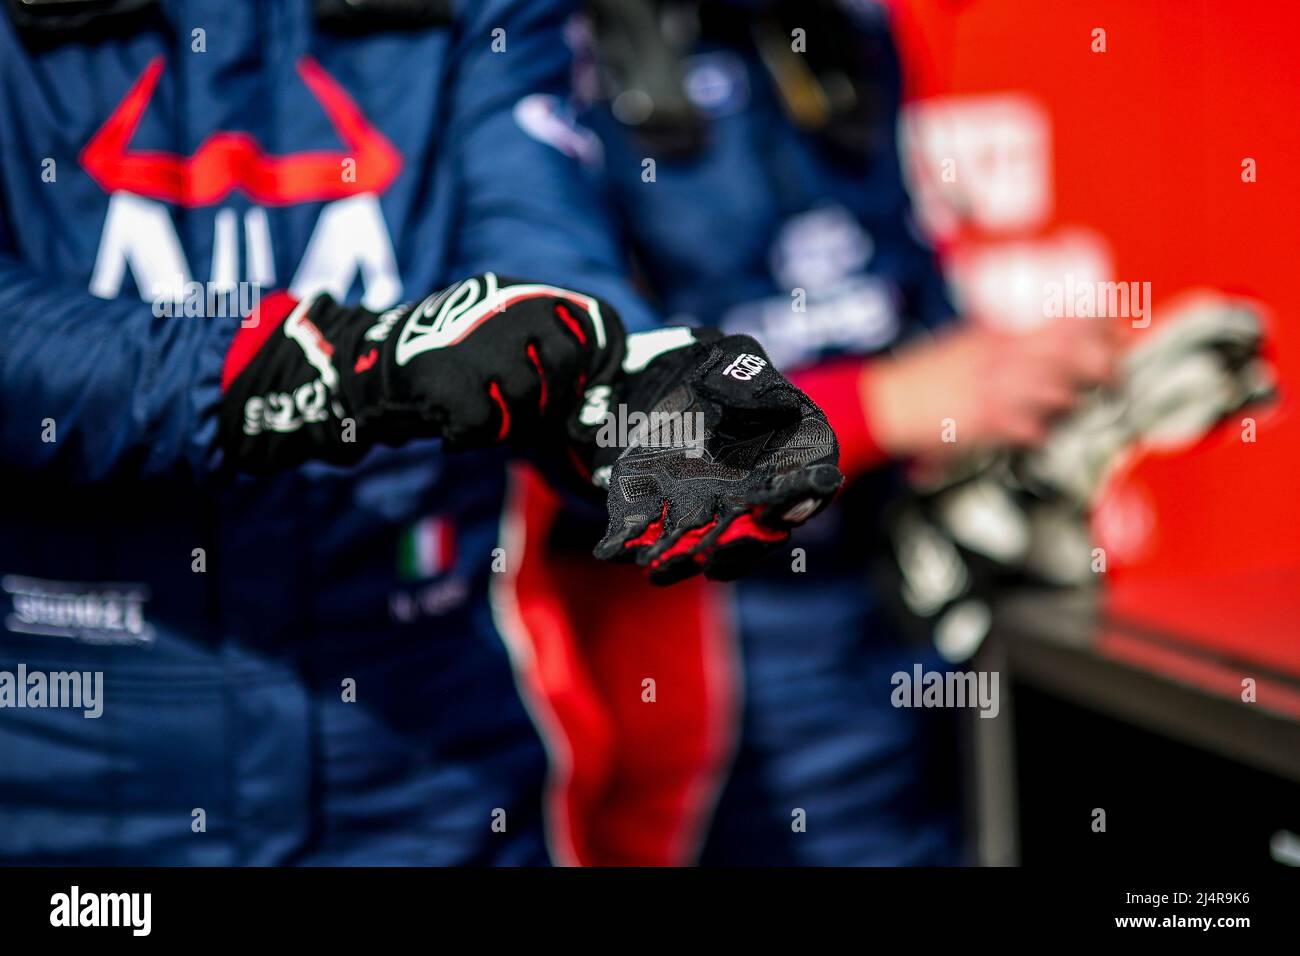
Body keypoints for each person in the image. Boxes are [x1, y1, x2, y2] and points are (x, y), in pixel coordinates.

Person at [0, 0, 838, 865]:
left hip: (429, 754)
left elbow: (542, 259)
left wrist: (639, 389)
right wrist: (323, 374)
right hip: (74, 765)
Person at [568, 0, 1119, 864]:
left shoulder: (849, 28)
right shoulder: (545, 53)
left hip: (910, 603)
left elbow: (904, 303)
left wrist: (1053, 397)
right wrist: (890, 402)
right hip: (719, 658)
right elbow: (616, 447)